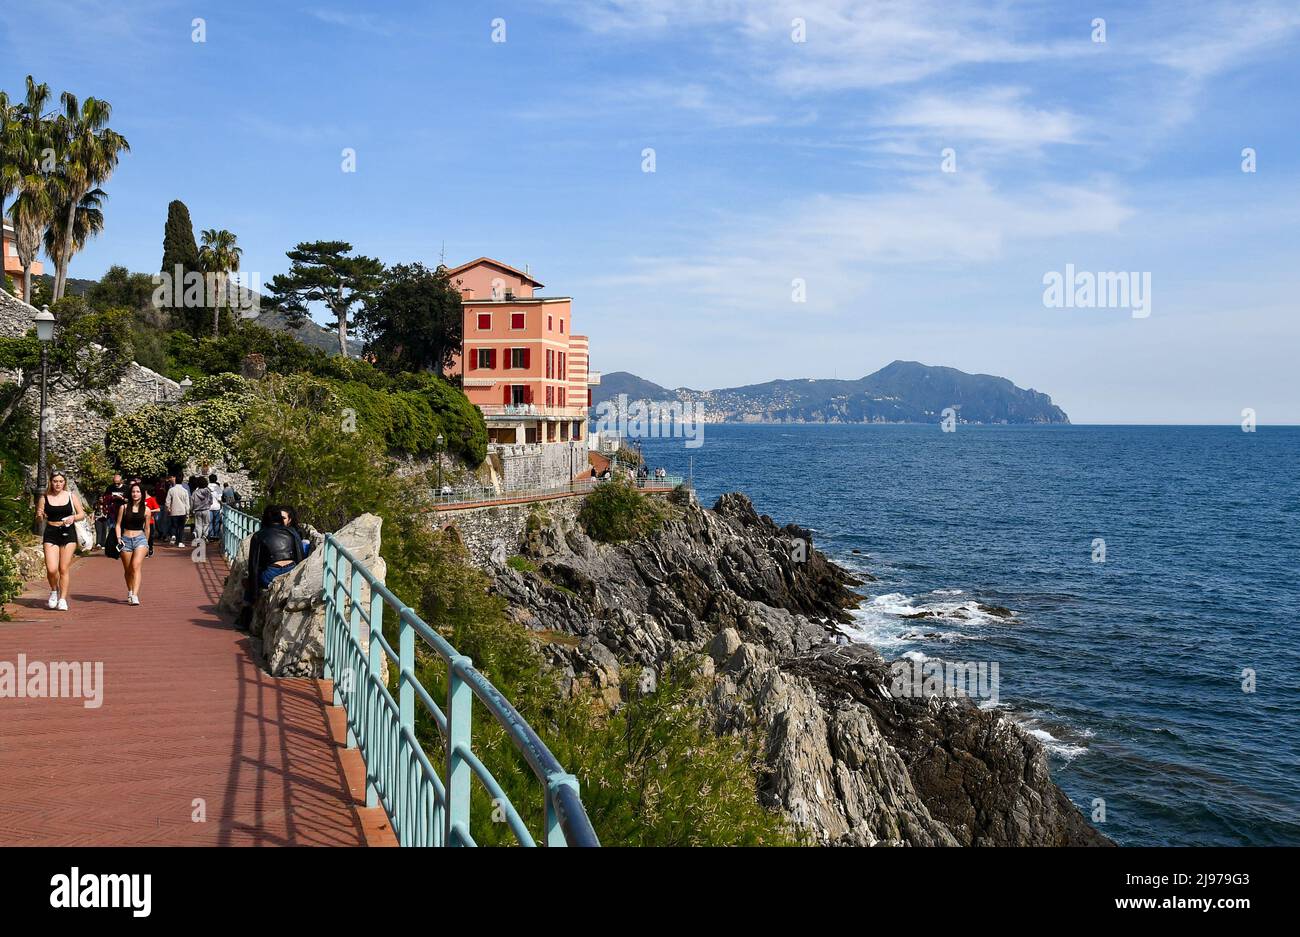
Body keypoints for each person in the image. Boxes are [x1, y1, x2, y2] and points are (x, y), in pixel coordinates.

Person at [36, 472, 88, 611]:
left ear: (64, 482)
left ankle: (63, 599)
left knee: (63, 568)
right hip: (51, 532)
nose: (58, 484)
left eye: (60, 481)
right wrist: (40, 515)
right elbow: (39, 518)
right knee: (52, 569)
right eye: (55, 481)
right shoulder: (44, 497)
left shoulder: (71, 496)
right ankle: (54, 591)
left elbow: (82, 514)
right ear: (50, 482)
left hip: (68, 533)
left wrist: (73, 518)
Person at [244, 504, 308, 606]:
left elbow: (253, 566)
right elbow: (299, 555)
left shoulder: (259, 535)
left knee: (248, 579)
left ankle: (246, 610)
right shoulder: (292, 532)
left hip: (271, 573)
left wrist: (254, 593)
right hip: (291, 569)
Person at [115, 481, 152, 605]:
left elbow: (147, 528)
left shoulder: (146, 510)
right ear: (130, 493)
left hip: (140, 540)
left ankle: (135, 595)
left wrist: (146, 543)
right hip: (125, 540)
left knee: (136, 566)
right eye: (133, 491)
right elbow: (118, 525)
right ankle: (130, 591)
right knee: (128, 570)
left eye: (138, 492)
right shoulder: (124, 507)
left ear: (142, 494)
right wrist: (119, 538)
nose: (135, 494)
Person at [190, 476, 214, 547]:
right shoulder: (208, 492)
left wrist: (191, 509)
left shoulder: (195, 492)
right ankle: (205, 536)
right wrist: (208, 505)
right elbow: (211, 501)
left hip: (197, 511)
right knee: (206, 524)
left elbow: (192, 502)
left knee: (198, 525)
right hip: (206, 510)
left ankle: (199, 539)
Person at [165, 477, 190, 545]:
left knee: (173, 526)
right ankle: (180, 542)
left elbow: (167, 501)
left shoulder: (171, 490)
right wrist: (188, 513)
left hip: (174, 511)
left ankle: (173, 535)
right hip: (182, 511)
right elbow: (187, 503)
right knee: (181, 527)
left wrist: (168, 508)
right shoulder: (185, 491)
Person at [206, 474, 222, 539]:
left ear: (209, 479)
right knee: (216, 522)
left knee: (210, 522)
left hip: (209, 507)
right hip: (217, 507)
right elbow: (220, 498)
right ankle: (216, 535)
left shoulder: (206, 487)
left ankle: (211, 535)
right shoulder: (218, 487)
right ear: (216, 479)